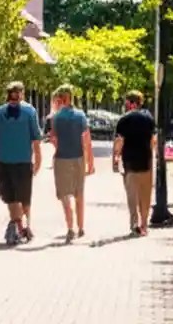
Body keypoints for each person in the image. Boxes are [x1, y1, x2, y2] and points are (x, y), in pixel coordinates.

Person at [0, 82, 43, 246]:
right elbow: (36, 139)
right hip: (22, 161)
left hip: (2, 161)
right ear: (22, 93)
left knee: (10, 197)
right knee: (24, 196)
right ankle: (22, 225)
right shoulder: (29, 111)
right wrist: (38, 160)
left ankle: (18, 224)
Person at [48, 85, 94, 242]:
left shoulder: (56, 118)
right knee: (79, 194)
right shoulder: (81, 115)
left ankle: (70, 228)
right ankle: (81, 227)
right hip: (78, 158)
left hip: (62, 159)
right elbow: (87, 140)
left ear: (62, 99)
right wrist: (90, 162)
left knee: (65, 196)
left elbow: (54, 139)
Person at [113, 90, 156, 236]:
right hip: (146, 163)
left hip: (130, 164)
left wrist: (115, 158)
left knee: (132, 196)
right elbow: (153, 141)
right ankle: (144, 224)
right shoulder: (149, 118)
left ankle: (134, 224)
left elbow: (119, 141)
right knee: (145, 196)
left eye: (126, 102)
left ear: (131, 103)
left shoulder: (124, 120)